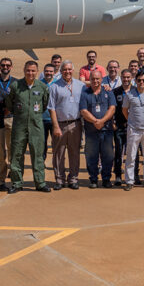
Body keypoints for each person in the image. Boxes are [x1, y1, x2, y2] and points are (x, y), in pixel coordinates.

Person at [6, 60, 51, 193]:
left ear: (37, 72)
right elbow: (10, 104)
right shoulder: (15, 86)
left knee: (37, 154)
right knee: (17, 155)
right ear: (24, 71)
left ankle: (40, 183)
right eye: (28, 70)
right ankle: (17, 183)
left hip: (36, 126)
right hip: (19, 126)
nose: (30, 73)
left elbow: (44, 105)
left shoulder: (42, 87)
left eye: (33, 71)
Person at [48, 62, 85, 190]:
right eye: (65, 69)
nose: (67, 72)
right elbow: (51, 108)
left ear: (73, 70)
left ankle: (73, 178)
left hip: (76, 123)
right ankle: (59, 179)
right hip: (61, 124)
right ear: (61, 71)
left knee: (74, 152)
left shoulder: (80, 85)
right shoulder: (54, 86)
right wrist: (56, 126)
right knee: (59, 153)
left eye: (69, 69)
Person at [79, 70, 117, 188]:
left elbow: (112, 108)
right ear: (89, 79)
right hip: (91, 131)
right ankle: (93, 179)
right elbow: (83, 111)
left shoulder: (108, 91)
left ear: (102, 79)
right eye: (93, 79)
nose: (95, 81)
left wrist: (102, 121)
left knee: (108, 155)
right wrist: (95, 121)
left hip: (106, 130)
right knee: (91, 155)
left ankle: (106, 179)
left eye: (98, 79)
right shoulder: (85, 93)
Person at [122, 71, 144, 190]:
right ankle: (129, 181)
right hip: (134, 129)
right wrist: (132, 122)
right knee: (131, 156)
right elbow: (124, 110)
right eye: (139, 80)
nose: (141, 82)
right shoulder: (129, 94)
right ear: (135, 81)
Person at [112, 69, 133, 183]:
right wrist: (112, 123)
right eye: (124, 77)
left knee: (132, 151)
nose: (126, 79)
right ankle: (118, 175)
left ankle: (134, 175)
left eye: (128, 77)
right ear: (121, 77)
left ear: (131, 78)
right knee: (119, 151)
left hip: (133, 126)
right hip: (119, 126)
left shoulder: (136, 90)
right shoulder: (116, 91)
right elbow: (111, 108)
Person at [0, 57, 16, 165]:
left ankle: (11, 167)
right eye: (3, 65)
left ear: (11, 67)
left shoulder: (16, 82)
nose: (5, 67)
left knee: (11, 145)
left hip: (11, 119)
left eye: (8, 65)